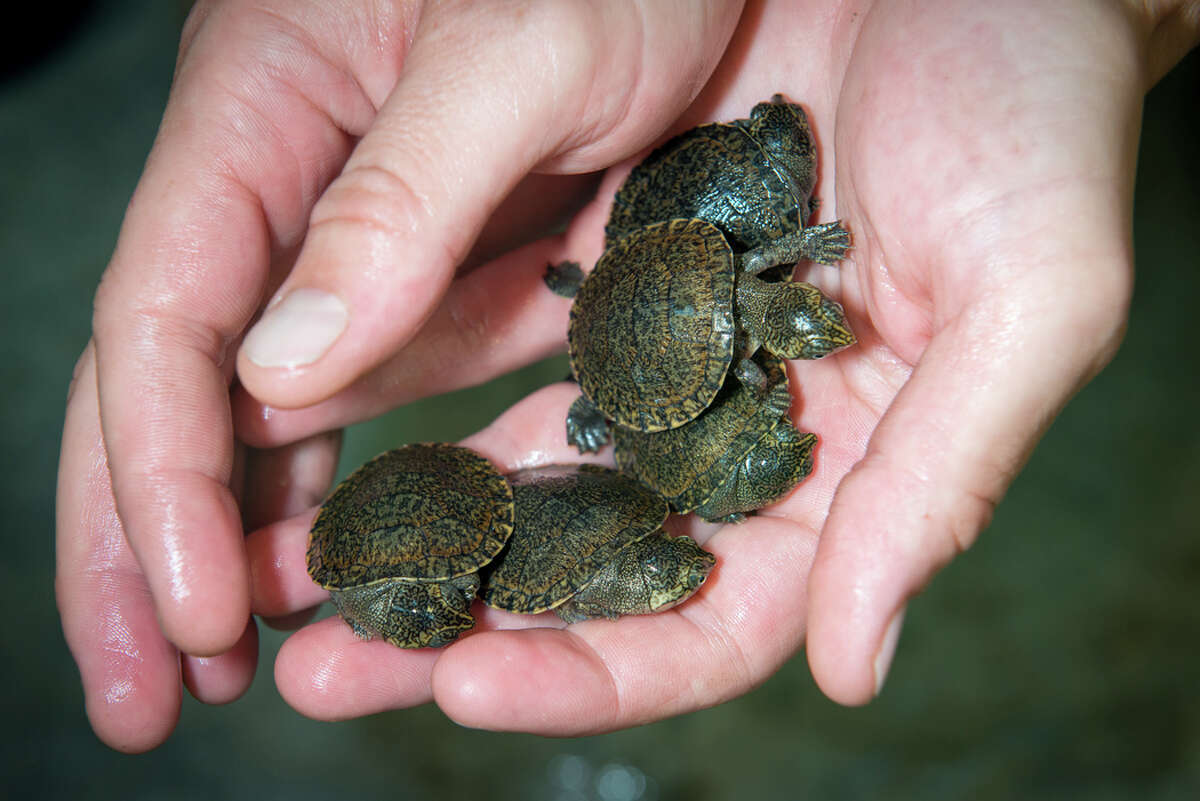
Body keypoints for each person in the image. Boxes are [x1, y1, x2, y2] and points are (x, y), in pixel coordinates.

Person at [56, 0, 1198, 753]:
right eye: (803, 328)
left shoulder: (743, 297)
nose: (812, 333)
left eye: (798, 329)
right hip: (648, 322)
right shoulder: (706, 315)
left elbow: (754, 304)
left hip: (663, 309)